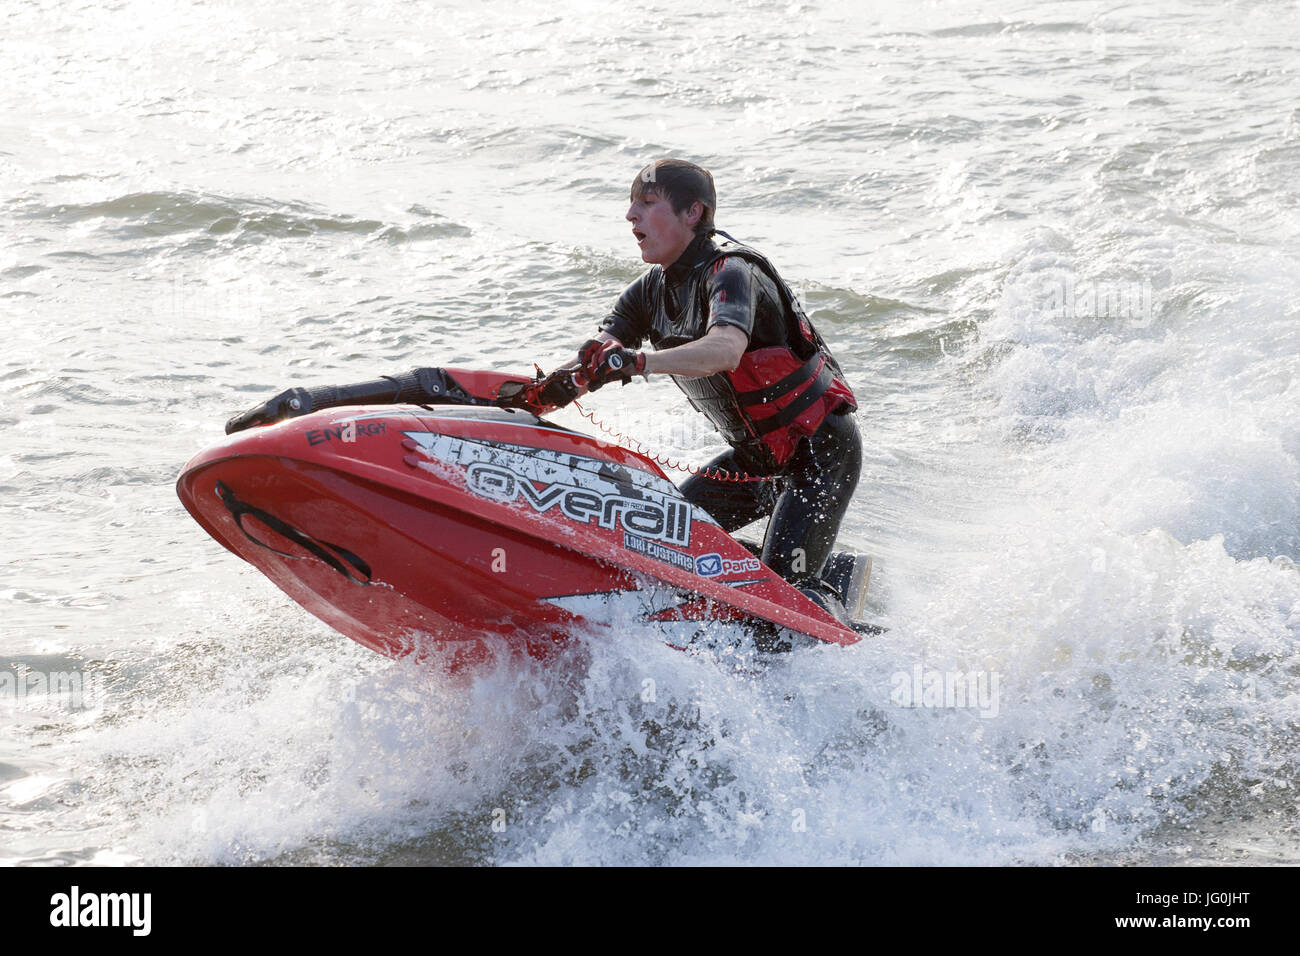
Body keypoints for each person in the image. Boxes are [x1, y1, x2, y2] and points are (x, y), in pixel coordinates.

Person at [577, 158, 867, 621]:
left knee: (781, 609)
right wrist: (564, 376)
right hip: (756, 459)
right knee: (659, 544)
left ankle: (840, 622)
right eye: (631, 204)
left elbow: (726, 349)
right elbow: (598, 354)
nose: (631, 215)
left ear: (693, 213)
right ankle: (839, 572)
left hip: (818, 454)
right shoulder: (647, 292)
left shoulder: (732, 273)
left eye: (647, 203)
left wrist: (640, 362)